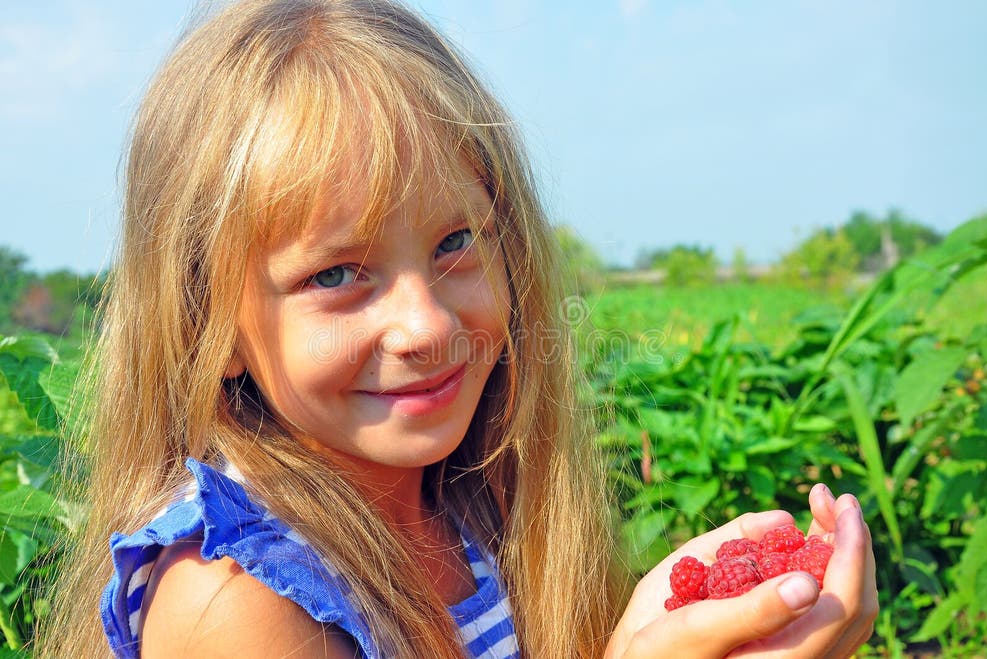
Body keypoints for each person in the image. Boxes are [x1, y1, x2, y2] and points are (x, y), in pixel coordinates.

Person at [39, 0, 878, 657]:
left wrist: (652, 630)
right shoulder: (232, 600)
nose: (427, 323)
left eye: (455, 243)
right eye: (336, 274)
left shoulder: (465, 508)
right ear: (207, 327)